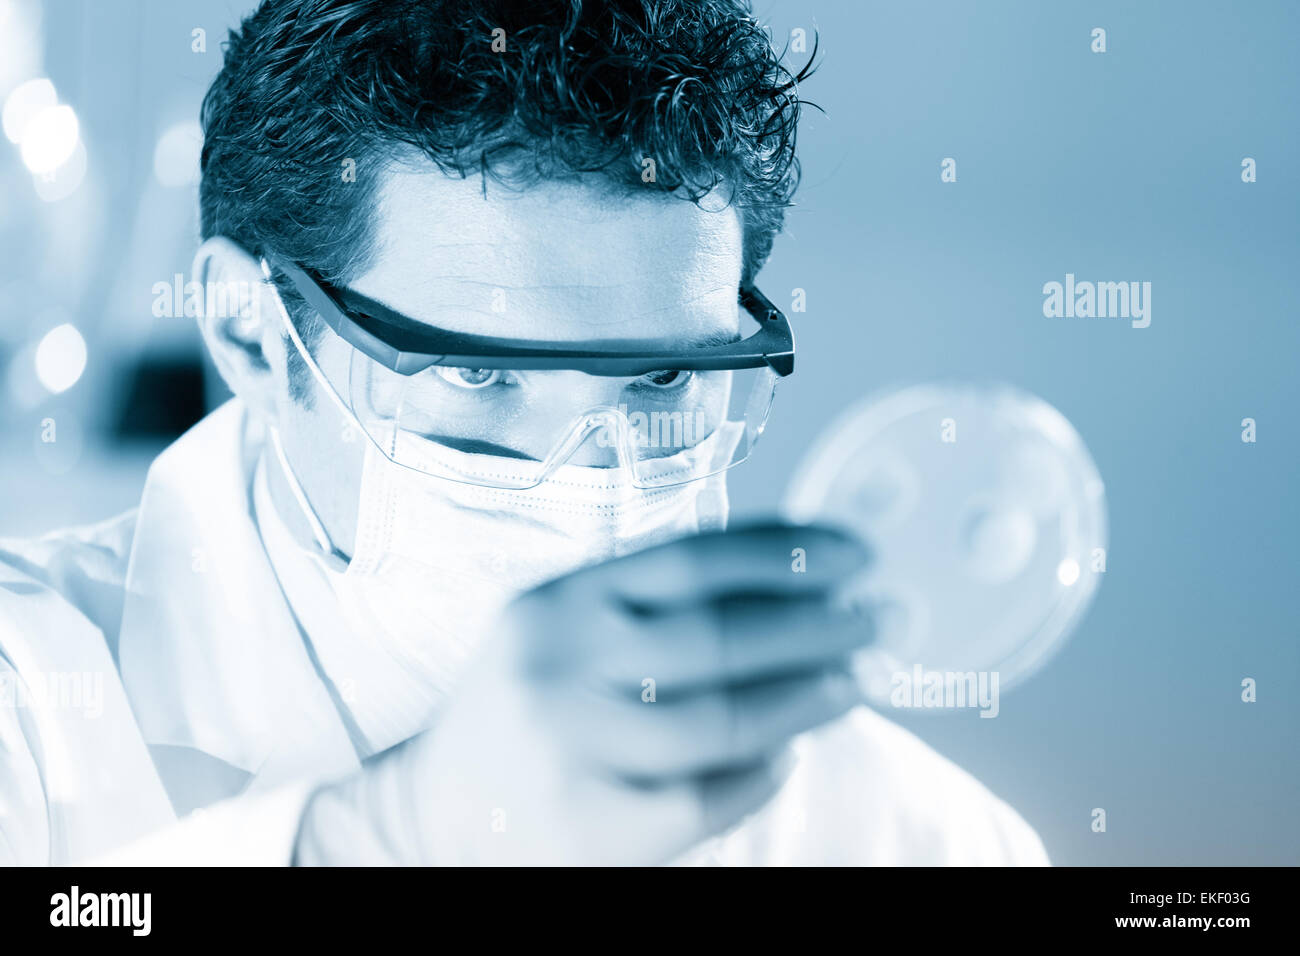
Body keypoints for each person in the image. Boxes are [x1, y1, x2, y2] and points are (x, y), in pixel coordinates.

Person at [0, 0, 1048, 866]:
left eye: (663, 372)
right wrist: (380, 840)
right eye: (477, 369)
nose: (592, 479)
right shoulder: (32, 706)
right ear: (256, 335)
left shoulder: (915, 838)